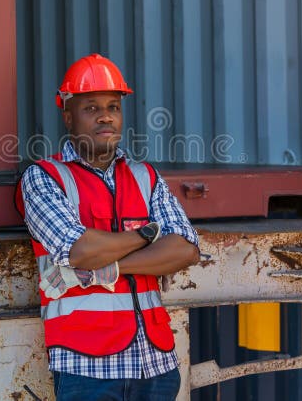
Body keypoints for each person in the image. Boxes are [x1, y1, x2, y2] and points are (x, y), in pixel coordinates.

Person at [16, 53, 200, 401]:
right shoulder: (44, 178)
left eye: (113, 107)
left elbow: (185, 248)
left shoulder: (145, 176)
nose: (105, 116)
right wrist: (146, 234)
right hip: (88, 368)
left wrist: (109, 268)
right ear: (68, 117)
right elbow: (80, 251)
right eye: (91, 108)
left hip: (156, 364)